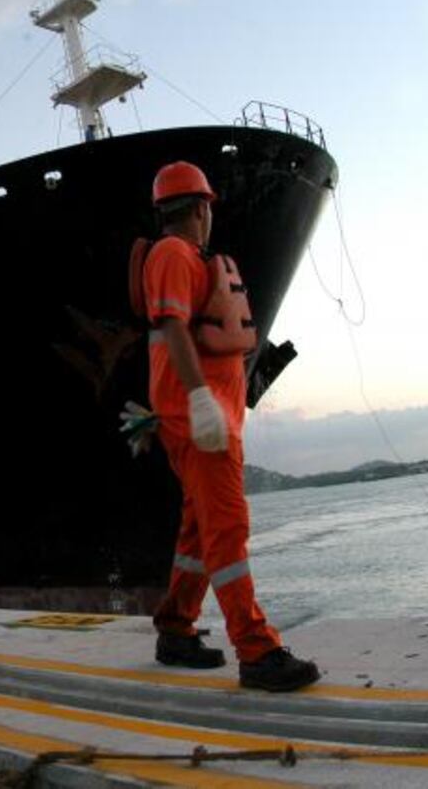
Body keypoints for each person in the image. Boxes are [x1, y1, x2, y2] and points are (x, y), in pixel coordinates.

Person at [142, 161, 320, 692]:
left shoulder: (186, 258)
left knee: (198, 532)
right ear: (202, 208)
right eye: (208, 208)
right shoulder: (172, 255)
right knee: (227, 529)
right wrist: (199, 399)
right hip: (201, 419)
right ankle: (257, 650)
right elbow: (172, 326)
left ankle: (176, 629)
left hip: (209, 417)